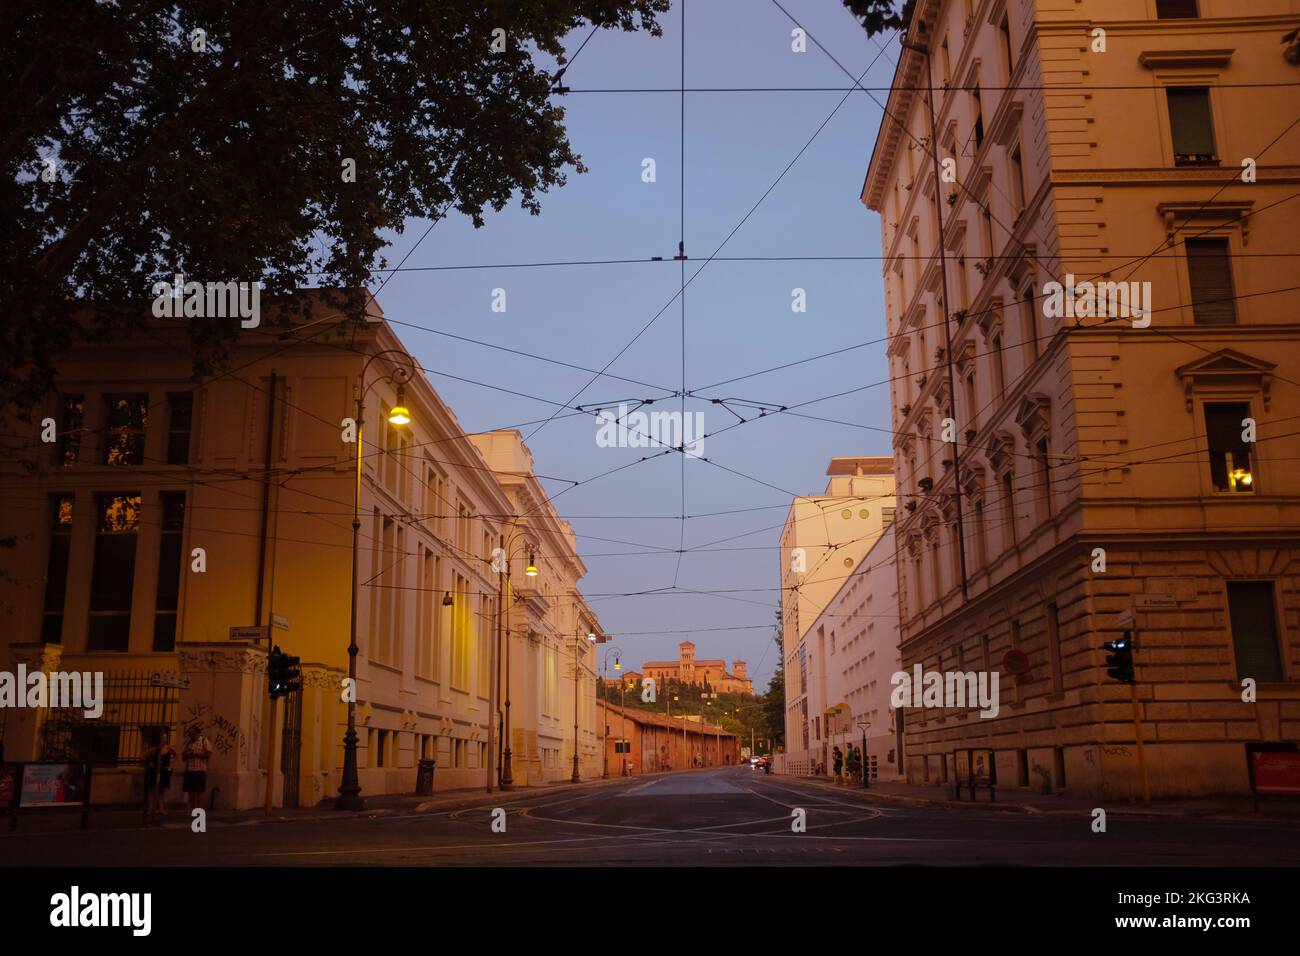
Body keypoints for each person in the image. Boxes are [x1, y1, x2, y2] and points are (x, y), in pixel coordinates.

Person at [182, 724, 214, 812]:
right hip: (190, 769)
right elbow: (183, 757)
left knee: (199, 791)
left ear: (198, 733)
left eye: (192, 734)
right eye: (189, 734)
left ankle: (199, 809)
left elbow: (208, 754)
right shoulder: (189, 743)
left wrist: (197, 754)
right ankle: (192, 808)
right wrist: (186, 754)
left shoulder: (204, 741)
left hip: (200, 769)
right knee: (191, 790)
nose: (191, 736)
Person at [144, 731, 175, 818]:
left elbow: (176, 757)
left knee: (161, 791)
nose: (164, 739)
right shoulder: (155, 749)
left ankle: (161, 808)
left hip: (164, 771)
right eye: (162, 737)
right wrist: (150, 763)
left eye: (165, 737)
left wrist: (171, 766)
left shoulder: (169, 748)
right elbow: (144, 756)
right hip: (155, 771)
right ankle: (150, 808)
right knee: (152, 789)